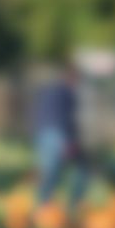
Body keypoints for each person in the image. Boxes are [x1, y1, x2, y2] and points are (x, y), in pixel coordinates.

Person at [30, 60, 87, 212]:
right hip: (59, 135)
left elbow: (39, 113)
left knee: (49, 171)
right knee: (77, 170)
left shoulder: (49, 91)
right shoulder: (68, 94)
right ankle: (72, 206)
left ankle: (43, 207)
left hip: (43, 133)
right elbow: (66, 118)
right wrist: (70, 141)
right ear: (73, 77)